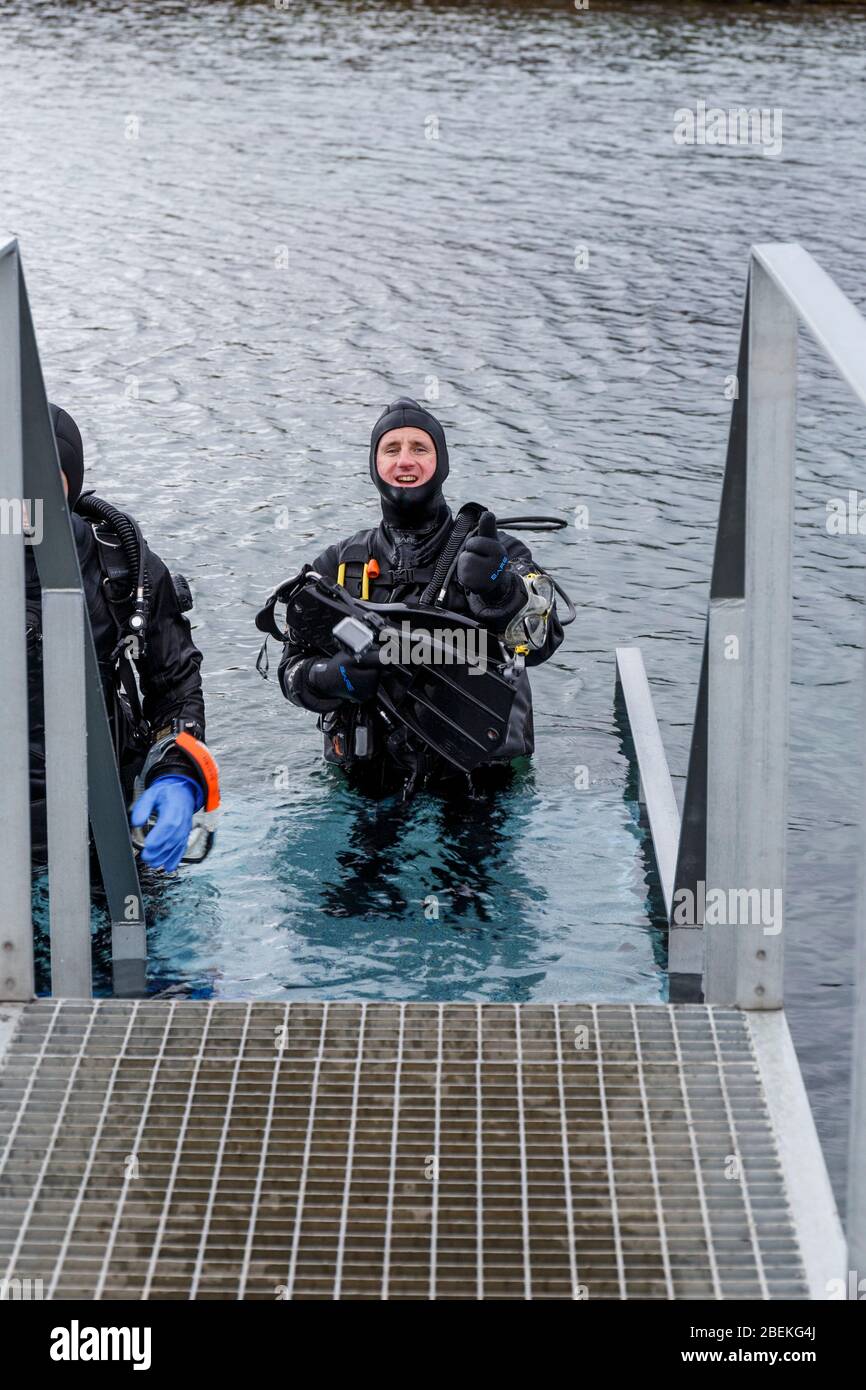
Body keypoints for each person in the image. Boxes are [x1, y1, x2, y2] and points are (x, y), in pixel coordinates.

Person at [274, 396, 565, 794]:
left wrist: (501, 592)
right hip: (370, 779)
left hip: (481, 778)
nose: (405, 461)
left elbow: (543, 643)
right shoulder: (339, 565)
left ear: (441, 462)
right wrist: (329, 677)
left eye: (419, 448)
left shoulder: (496, 551)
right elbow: (290, 672)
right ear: (375, 466)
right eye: (391, 449)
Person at [26, 405, 218, 871]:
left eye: (46, 474)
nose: (30, 489)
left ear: (71, 480)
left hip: (98, 829)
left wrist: (176, 777)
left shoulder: (122, 569)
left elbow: (176, 688)